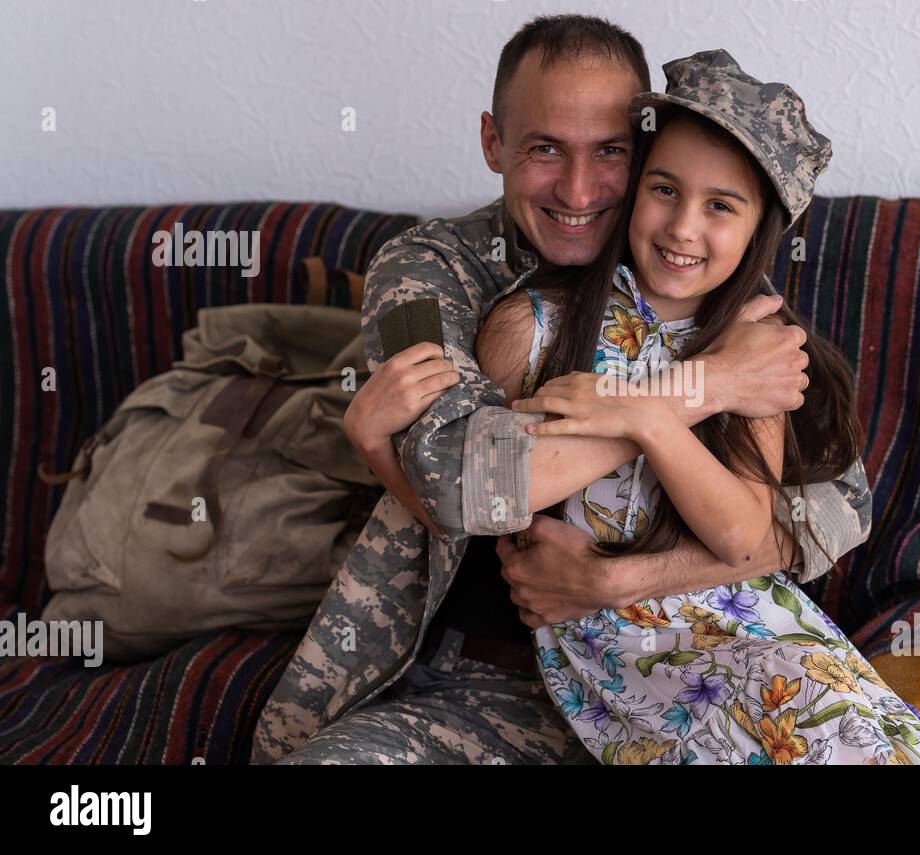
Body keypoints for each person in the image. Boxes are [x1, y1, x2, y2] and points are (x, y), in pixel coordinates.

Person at [251, 15, 873, 765]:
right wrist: (696, 390)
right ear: (493, 142)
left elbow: (822, 516)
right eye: (545, 148)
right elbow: (457, 484)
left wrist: (612, 579)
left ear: (643, 149)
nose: (578, 190)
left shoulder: (706, 278)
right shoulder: (429, 275)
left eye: (609, 152)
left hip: (670, 678)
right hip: (475, 679)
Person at [469, 50, 920, 765]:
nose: (682, 228)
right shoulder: (535, 329)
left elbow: (740, 536)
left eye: (720, 206)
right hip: (626, 653)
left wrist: (646, 414)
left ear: (759, 227)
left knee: (835, 714)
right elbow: (491, 491)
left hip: (753, 627)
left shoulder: (752, 349)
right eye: (664, 189)